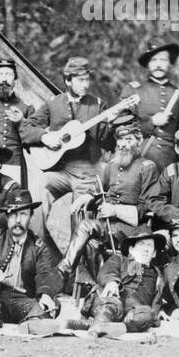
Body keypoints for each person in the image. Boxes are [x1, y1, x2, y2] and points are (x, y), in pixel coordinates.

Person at [20, 56, 116, 245]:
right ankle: (37, 246)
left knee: (80, 222)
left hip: (87, 174)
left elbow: (107, 142)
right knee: (40, 186)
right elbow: (27, 128)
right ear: (67, 80)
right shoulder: (53, 104)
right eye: (81, 80)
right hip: (61, 170)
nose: (86, 84)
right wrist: (45, 137)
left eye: (88, 79)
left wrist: (110, 124)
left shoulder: (98, 105)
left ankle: (77, 267)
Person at [59, 110, 160, 286]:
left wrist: (115, 210)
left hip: (133, 231)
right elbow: (98, 187)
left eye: (128, 140)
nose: (123, 145)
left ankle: (62, 272)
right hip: (108, 227)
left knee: (85, 226)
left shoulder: (147, 167)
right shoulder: (112, 165)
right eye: (120, 140)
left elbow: (148, 208)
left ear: (138, 141)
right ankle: (104, 285)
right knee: (91, 245)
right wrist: (85, 197)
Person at [0, 189, 62, 334]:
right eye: (13, 214)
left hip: (21, 300)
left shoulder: (38, 246)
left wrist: (46, 294)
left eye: (23, 214)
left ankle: (32, 318)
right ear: (6, 218)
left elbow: (45, 272)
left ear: (30, 216)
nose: (18, 220)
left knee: (52, 306)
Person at [126, 39, 179, 171]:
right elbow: (122, 129)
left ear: (169, 63)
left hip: (170, 163)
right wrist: (151, 122)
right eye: (154, 60)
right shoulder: (134, 90)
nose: (158, 65)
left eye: (163, 60)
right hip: (139, 160)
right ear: (148, 64)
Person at [86, 231, 165, 337]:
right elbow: (107, 272)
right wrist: (112, 282)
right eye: (141, 244)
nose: (145, 249)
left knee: (148, 315)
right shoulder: (119, 260)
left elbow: (159, 301)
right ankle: (99, 326)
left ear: (154, 253)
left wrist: (160, 312)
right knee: (111, 302)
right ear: (131, 249)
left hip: (134, 312)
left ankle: (100, 326)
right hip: (113, 299)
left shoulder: (158, 275)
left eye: (149, 246)